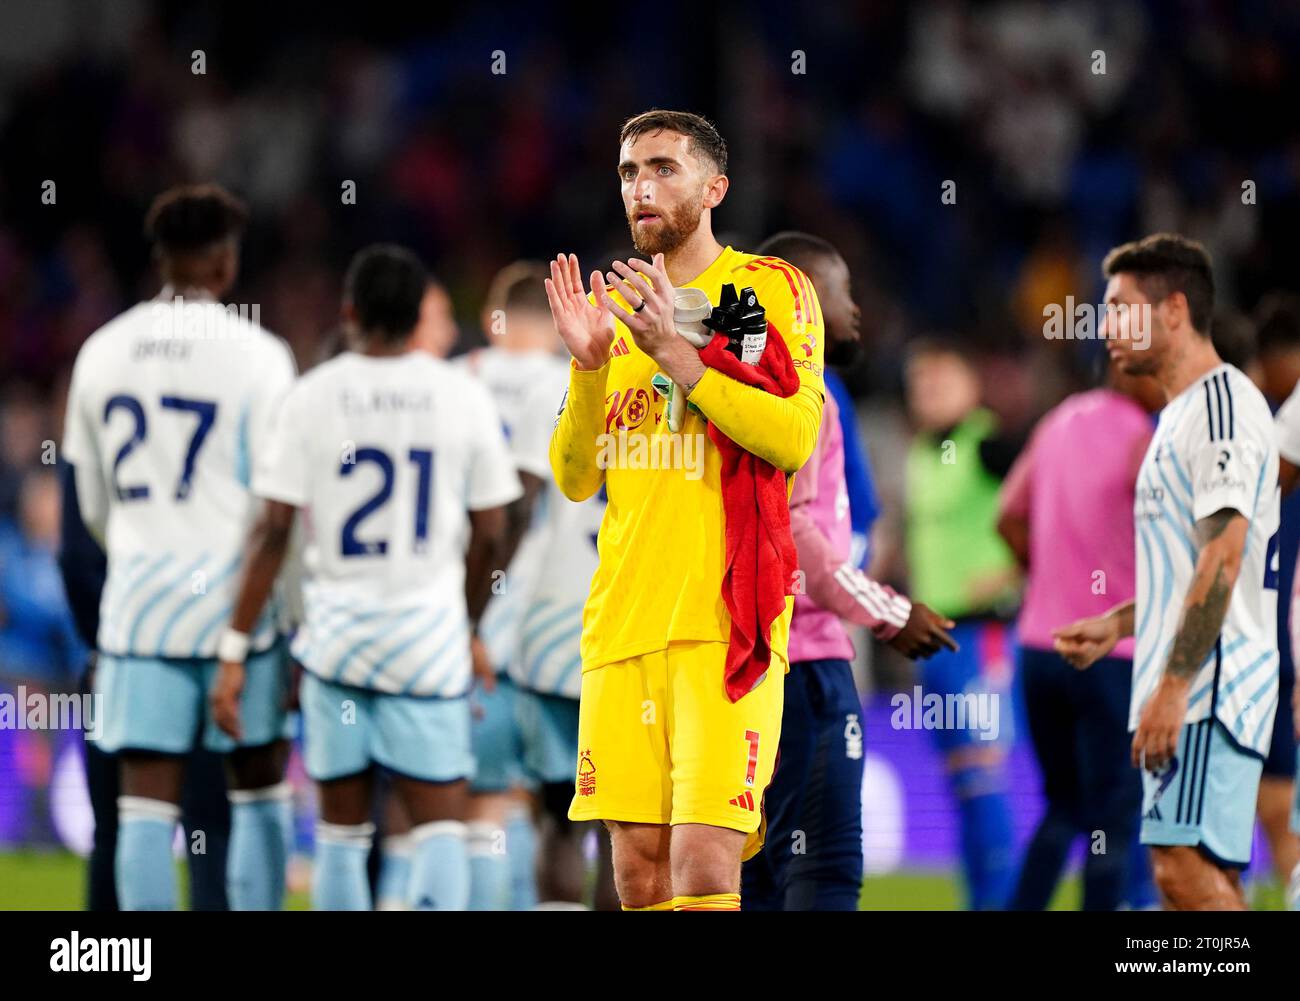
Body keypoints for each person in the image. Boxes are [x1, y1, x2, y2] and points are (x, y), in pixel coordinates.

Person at [545, 109, 824, 910]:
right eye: (630, 171)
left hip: (721, 622)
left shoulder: (764, 290)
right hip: (621, 625)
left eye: (664, 168)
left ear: (715, 187)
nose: (642, 187)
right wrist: (591, 367)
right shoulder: (615, 308)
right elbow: (572, 475)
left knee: (705, 866)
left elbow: (794, 436)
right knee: (637, 873)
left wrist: (677, 353)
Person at [212, 244, 521, 910]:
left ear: (349, 312)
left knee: (342, 834)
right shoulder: (459, 395)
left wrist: (236, 646)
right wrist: (466, 620)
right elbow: (495, 528)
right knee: (442, 825)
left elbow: (272, 530)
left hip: (337, 645)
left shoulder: (311, 394)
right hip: (427, 643)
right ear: (419, 318)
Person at [61, 183, 296, 910]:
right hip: (239, 612)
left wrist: (140, 552)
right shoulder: (261, 356)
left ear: (159, 259)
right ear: (225, 265)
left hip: (138, 611)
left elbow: (91, 509)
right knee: (254, 793)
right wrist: (286, 618)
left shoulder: (100, 352)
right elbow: (279, 513)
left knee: (142, 808)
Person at [1055, 233, 1279, 910]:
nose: (1104, 325)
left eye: (1121, 308)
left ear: (1174, 310)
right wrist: (1122, 622)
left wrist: (1175, 686)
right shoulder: (1179, 415)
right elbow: (1196, 561)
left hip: (1209, 684)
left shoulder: (1217, 405)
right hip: (1197, 678)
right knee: (1204, 874)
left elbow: (1224, 553)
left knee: (1180, 870)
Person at [740, 231, 955, 911]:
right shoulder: (804, 399)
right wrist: (890, 611)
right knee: (824, 872)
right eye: (840, 288)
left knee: (752, 878)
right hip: (803, 665)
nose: (855, 307)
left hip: (733, 664)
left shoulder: (722, 389)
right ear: (800, 295)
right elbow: (798, 531)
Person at [998, 360, 1163, 910]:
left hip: (1039, 646)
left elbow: (1007, 515)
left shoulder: (1056, 422)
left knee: (1063, 805)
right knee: (1112, 815)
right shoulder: (1148, 436)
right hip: (1113, 652)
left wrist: (1047, 576)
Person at [903, 339, 1022, 910]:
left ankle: (998, 902)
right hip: (935, 642)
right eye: (920, 387)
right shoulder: (922, 453)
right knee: (961, 783)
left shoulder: (989, 445)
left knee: (983, 779)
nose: (928, 396)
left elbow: (1049, 502)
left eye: (941, 384)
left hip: (982, 636)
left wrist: (1015, 572)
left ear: (971, 388)